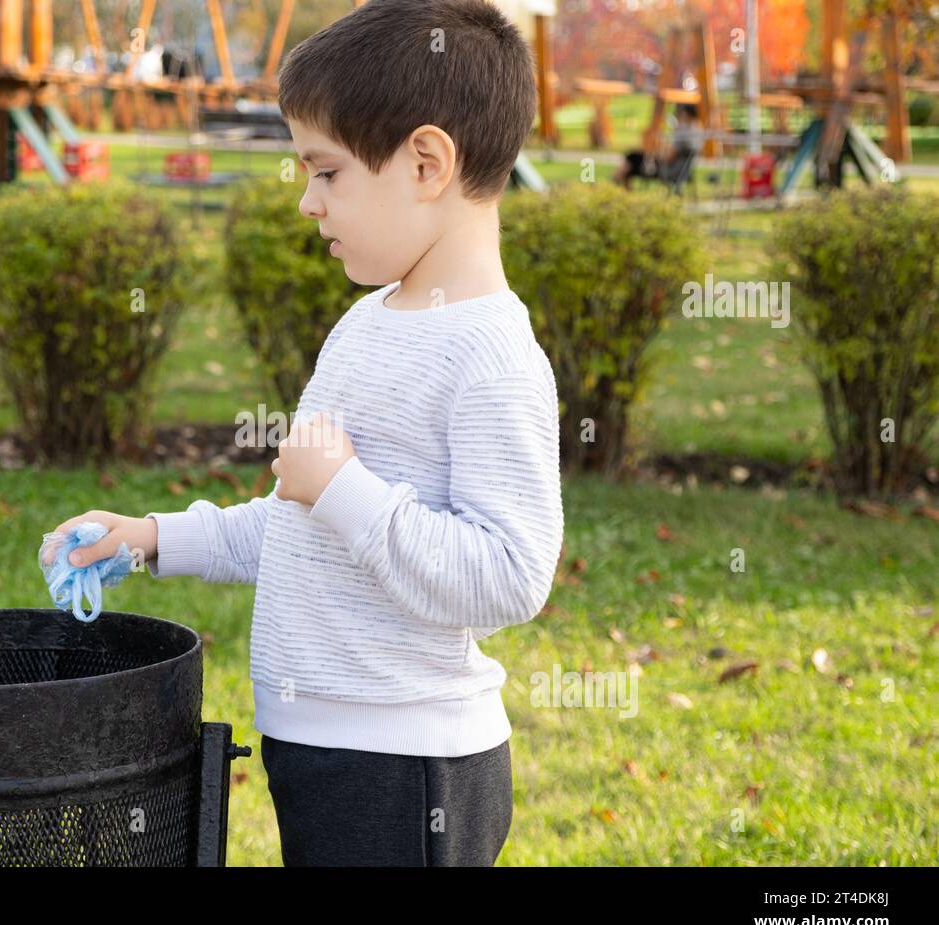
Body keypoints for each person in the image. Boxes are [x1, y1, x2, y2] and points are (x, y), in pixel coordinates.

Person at [43, 0, 562, 867]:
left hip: (409, 768)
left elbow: (511, 576)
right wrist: (154, 540)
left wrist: (349, 491)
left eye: (326, 174)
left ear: (427, 162)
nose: (307, 204)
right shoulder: (367, 323)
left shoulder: (491, 354)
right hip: (322, 744)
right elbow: (303, 522)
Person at [614, 102, 703, 189]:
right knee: (632, 159)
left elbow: (668, 158)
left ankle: (615, 182)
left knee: (632, 159)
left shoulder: (684, 134)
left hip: (667, 171)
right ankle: (616, 181)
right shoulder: (696, 132)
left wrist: (655, 154)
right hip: (682, 172)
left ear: (685, 114)